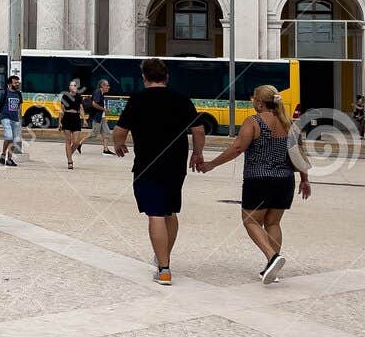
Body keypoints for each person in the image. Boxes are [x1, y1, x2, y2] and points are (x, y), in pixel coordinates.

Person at [197, 85, 311, 282]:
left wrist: (211, 165)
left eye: (253, 100)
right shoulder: (289, 123)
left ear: (259, 102)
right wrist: (305, 179)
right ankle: (272, 269)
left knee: (250, 220)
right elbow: (298, 153)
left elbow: (238, 147)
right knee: (273, 223)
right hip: (284, 181)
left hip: (258, 180)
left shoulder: (254, 122)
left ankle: (272, 257)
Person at [113, 57, 205, 286]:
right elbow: (199, 129)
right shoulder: (181, 99)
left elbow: (119, 129)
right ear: (167, 77)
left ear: (144, 78)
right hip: (175, 164)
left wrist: (118, 144)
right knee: (170, 212)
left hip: (147, 164)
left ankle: (164, 269)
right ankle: (164, 257)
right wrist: (197, 153)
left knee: (155, 213)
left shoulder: (137, 99)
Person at [0, 72, 23, 166]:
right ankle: (3, 154)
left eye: (18, 82)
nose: (17, 84)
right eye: (15, 82)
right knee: (9, 136)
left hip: (15, 119)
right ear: (10, 83)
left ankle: (9, 159)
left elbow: (20, 106)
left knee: (14, 140)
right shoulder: (4, 93)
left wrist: (20, 118)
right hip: (5, 117)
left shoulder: (19, 94)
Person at [59, 77, 87, 169]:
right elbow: (61, 110)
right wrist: (60, 122)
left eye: (74, 85)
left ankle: (69, 153)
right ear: (69, 87)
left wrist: (84, 119)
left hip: (76, 118)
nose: (72, 87)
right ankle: (70, 161)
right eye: (71, 85)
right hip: (67, 117)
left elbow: (81, 108)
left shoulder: (79, 97)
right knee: (68, 140)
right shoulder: (65, 96)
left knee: (76, 142)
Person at [90, 78, 113, 154]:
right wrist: (104, 110)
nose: (108, 87)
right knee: (94, 134)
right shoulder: (98, 92)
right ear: (102, 85)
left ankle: (105, 150)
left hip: (101, 117)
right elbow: (94, 104)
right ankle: (78, 144)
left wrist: (104, 116)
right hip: (97, 117)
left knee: (107, 133)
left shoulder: (101, 93)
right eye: (107, 85)